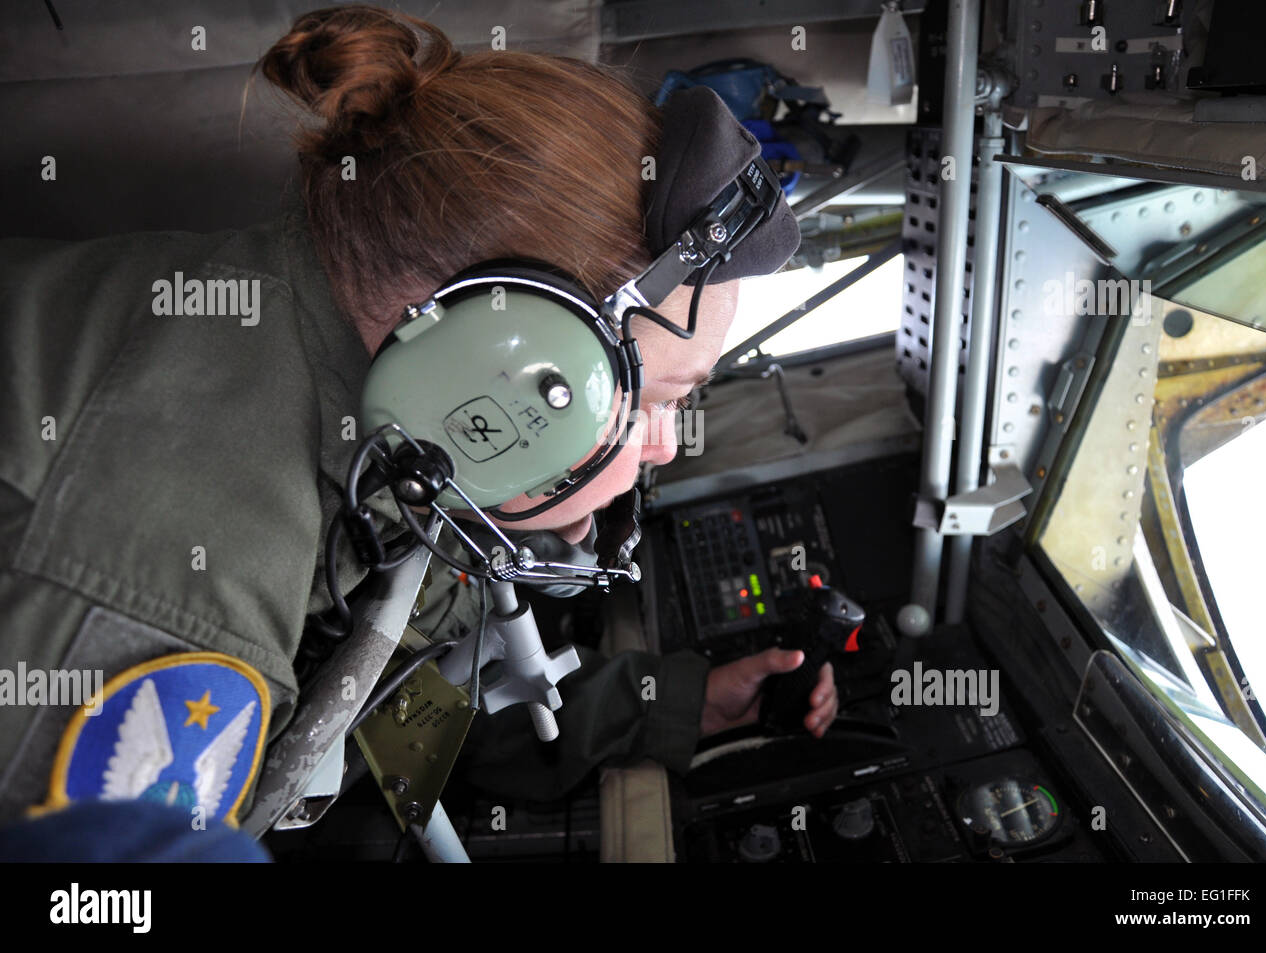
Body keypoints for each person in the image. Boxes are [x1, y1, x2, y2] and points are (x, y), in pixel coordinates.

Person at [0, 5, 835, 851]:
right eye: (654, 400)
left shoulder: (369, 418)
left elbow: (391, 690)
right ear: (507, 361)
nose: (665, 445)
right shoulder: (178, 569)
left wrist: (670, 706)